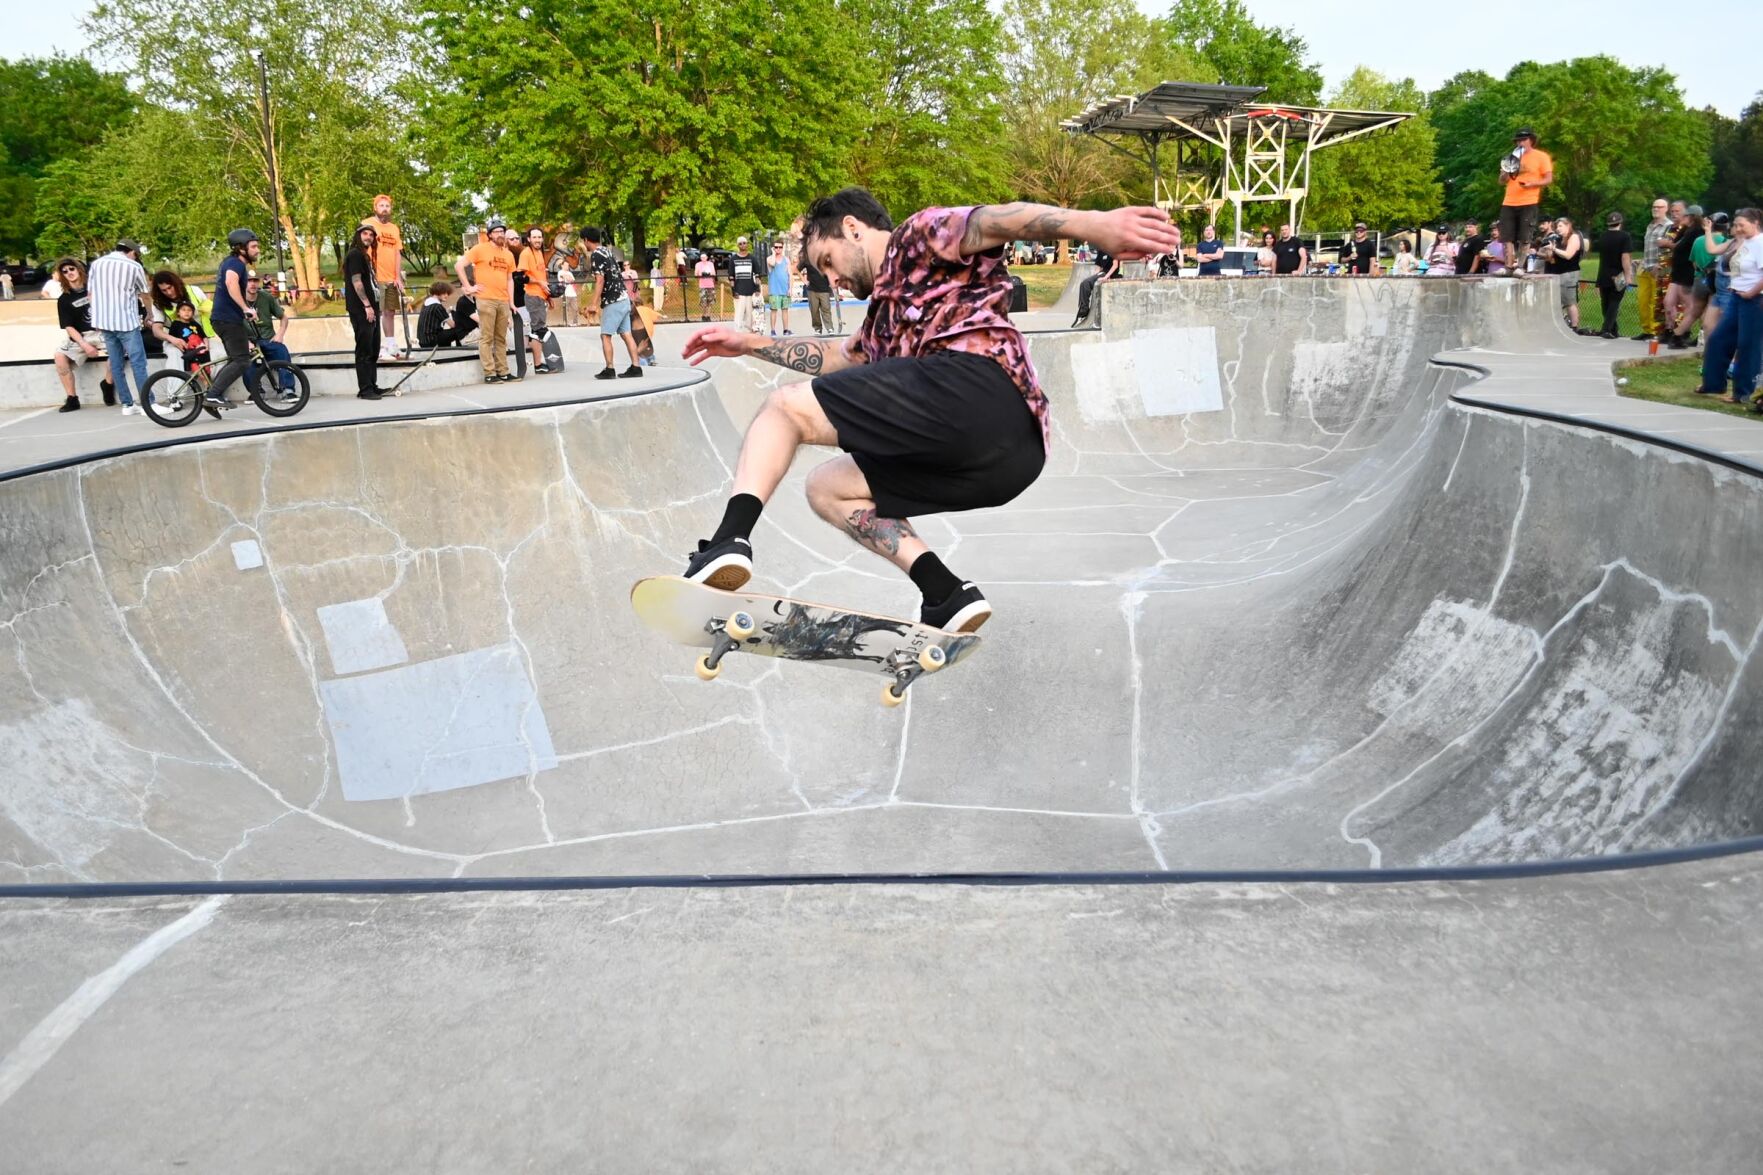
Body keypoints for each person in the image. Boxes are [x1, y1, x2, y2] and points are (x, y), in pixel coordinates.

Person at [678, 189, 1179, 632]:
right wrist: (746, 342)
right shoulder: (880, 322)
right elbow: (838, 359)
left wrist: (1095, 225)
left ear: (852, 228)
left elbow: (996, 220)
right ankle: (945, 594)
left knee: (782, 408)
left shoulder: (915, 237)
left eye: (827, 260)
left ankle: (729, 540)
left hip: (978, 388)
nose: (829, 279)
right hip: (1009, 462)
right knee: (827, 488)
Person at [1695, 208, 1763, 408]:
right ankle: (1713, 384)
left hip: (1755, 300)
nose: (1738, 228)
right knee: (1718, 339)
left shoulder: (1760, 243)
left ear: (1756, 223)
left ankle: (1743, 392)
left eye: (1742, 225)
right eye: (1736, 224)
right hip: (1736, 296)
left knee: (1748, 346)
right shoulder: (1745, 242)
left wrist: (1751, 292)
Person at [199, 228, 262, 411]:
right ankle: (213, 395)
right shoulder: (236, 264)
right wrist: (245, 308)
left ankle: (212, 395)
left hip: (224, 319)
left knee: (235, 359)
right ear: (241, 248)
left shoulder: (231, 262)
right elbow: (230, 283)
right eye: (254, 246)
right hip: (227, 320)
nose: (257, 250)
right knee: (242, 361)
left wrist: (242, 312)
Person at [87, 240, 152, 415]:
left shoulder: (96, 264)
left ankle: (127, 405)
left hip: (104, 322)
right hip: (126, 321)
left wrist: (97, 318)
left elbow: (90, 294)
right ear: (131, 252)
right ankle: (148, 404)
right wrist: (149, 314)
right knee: (138, 362)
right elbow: (145, 294)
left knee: (116, 364)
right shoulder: (133, 266)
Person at [456, 220, 516, 383]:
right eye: (496, 232)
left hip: (503, 299)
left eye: (502, 232)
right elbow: (459, 265)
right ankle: (489, 373)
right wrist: (468, 287)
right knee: (487, 337)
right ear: (489, 234)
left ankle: (503, 371)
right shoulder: (480, 249)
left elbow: (510, 279)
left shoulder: (508, 254)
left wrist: (511, 302)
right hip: (486, 299)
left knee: (501, 338)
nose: (500, 235)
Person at [582, 225, 643, 380]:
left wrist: (593, 304)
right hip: (624, 297)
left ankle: (610, 368)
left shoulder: (596, 254)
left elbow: (600, 280)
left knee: (605, 335)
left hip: (613, 300)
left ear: (586, 240)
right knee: (626, 334)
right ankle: (636, 366)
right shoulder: (608, 251)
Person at [50, 258, 111, 412]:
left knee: (118, 350)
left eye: (71, 269)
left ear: (79, 269)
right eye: (65, 271)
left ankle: (108, 384)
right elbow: (68, 327)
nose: (69, 273)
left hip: (102, 332)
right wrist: (84, 344)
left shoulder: (96, 289)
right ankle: (72, 398)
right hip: (80, 336)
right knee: (59, 356)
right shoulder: (64, 299)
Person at [1497, 128, 1553, 275]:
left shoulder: (1541, 157)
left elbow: (1548, 179)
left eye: (1523, 140)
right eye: (1518, 140)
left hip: (1528, 200)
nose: (1520, 143)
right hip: (1509, 201)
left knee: (1525, 235)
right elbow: (1501, 181)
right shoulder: (1511, 157)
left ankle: (1520, 266)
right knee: (1506, 235)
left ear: (1531, 141)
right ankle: (1508, 266)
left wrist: (1533, 184)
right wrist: (1505, 172)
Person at [342, 224, 384, 399]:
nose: (368, 237)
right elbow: (356, 282)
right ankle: (365, 389)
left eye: (371, 235)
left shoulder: (365, 256)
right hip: (361, 309)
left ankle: (372, 385)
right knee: (364, 349)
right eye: (365, 234)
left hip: (372, 308)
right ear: (358, 235)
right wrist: (366, 305)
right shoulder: (355, 255)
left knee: (374, 348)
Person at [363, 194, 405, 360]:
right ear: (375, 208)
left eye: (387, 206)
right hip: (375, 275)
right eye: (381, 206)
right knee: (378, 312)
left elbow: (397, 253)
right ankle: (379, 348)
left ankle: (390, 344)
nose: (384, 209)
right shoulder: (368, 224)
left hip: (390, 277)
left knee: (390, 311)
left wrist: (398, 276)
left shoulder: (394, 228)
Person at [246, 272, 299, 400]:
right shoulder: (238, 300)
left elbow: (283, 317)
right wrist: (244, 342)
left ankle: (288, 389)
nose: (253, 284)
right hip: (249, 341)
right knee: (244, 360)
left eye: (255, 280)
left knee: (282, 351)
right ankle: (256, 391)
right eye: (249, 281)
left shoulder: (266, 297)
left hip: (267, 338)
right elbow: (232, 326)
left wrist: (280, 334)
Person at [1664, 205, 1706, 348]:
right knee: (1669, 303)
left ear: (1694, 217)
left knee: (1692, 306)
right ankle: (1674, 332)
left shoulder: (1698, 232)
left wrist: (1668, 245)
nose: (1684, 218)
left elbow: (1681, 247)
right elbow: (1676, 243)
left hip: (1688, 272)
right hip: (1678, 271)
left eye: (1686, 216)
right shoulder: (1686, 230)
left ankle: (1685, 333)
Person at [516, 226, 552, 374]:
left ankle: (538, 363)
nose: (537, 240)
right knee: (538, 330)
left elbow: (541, 276)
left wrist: (548, 295)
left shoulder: (539, 252)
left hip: (540, 295)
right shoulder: (526, 253)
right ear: (529, 239)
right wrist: (539, 284)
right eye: (534, 237)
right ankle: (538, 365)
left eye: (539, 237)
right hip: (532, 295)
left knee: (539, 329)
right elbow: (521, 277)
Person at [1593, 212, 1634, 338]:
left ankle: (1613, 329)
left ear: (1608, 224)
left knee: (1605, 302)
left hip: (1603, 273)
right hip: (1618, 274)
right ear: (1620, 223)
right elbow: (1625, 257)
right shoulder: (1625, 236)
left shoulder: (1603, 236)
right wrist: (1628, 275)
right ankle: (1607, 329)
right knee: (1614, 302)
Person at [1539, 216, 1584, 329]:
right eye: (1556, 226)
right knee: (1558, 300)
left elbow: (1568, 255)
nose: (1558, 229)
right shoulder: (1558, 239)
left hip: (1569, 273)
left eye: (1561, 226)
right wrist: (1547, 251)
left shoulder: (1574, 237)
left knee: (1569, 300)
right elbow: (1552, 258)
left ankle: (1574, 326)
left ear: (1568, 226)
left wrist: (1554, 249)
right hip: (1557, 272)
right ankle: (1561, 324)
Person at [1637, 198, 1672, 339]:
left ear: (1666, 209)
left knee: (1655, 301)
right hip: (1645, 267)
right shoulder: (1650, 225)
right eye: (1654, 206)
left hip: (1658, 269)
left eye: (1659, 207)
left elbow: (1670, 247)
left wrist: (1662, 264)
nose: (1656, 209)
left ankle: (1654, 331)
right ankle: (1646, 330)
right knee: (1642, 301)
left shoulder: (1669, 226)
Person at [1689, 211, 1729, 332]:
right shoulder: (1726, 242)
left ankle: (1680, 335)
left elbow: (1693, 261)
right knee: (1712, 310)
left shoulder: (1698, 240)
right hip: (1716, 280)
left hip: (1699, 278)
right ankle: (1704, 336)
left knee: (1696, 310)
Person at [417, 280, 474, 348]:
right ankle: (461, 348)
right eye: (444, 293)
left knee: (447, 333)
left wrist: (448, 312)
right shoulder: (437, 306)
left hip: (423, 341)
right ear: (437, 292)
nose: (446, 295)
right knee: (458, 330)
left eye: (447, 293)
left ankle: (446, 348)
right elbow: (453, 325)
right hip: (432, 340)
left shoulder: (426, 303)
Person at [166, 302, 211, 373]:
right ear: (178, 312)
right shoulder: (175, 324)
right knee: (197, 370)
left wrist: (207, 346)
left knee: (207, 370)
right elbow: (171, 339)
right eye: (183, 310)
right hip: (190, 352)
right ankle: (203, 382)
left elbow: (204, 336)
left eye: (189, 310)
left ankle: (208, 382)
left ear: (193, 313)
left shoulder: (195, 324)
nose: (186, 312)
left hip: (202, 351)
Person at [799, 248, 834, 333]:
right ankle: (817, 328)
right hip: (812, 289)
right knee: (814, 311)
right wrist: (804, 281)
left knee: (826, 309)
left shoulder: (826, 259)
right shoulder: (807, 259)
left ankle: (829, 328)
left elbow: (832, 270)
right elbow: (797, 269)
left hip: (824, 288)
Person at [729, 237, 760, 332]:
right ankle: (737, 334)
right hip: (739, 291)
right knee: (738, 314)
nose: (743, 245)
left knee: (750, 315)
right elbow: (731, 277)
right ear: (738, 245)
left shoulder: (752, 258)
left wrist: (757, 289)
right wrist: (733, 291)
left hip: (751, 290)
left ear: (747, 244)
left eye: (744, 243)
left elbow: (757, 275)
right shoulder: (733, 259)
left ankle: (749, 334)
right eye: (740, 243)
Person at [766, 240, 794, 336]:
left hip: (784, 289)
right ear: (773, 248)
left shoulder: (786, 260)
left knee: (785, 310)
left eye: (780, 247)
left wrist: (790, 288)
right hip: (774, 290)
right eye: (776, 247)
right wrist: (773, 253)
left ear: (783, 248)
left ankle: (786, 330)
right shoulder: (769, 259)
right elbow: (773, 264)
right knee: (774, 310)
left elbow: (790, 275)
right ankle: (773, 330)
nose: (778, 249)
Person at [695, 251, 717, 321]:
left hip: (710, 284)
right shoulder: (698, 264)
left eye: (704, 257)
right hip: (702, 285)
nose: (703, 258)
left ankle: (708, 315)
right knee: (703, 302)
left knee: (710, 301)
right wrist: (701, 275)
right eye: (702, 257)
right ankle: (703, 315)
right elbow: (696, 274)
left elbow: (714, 273)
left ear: (707, 257)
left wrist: (709, 274)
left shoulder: (710, 264)